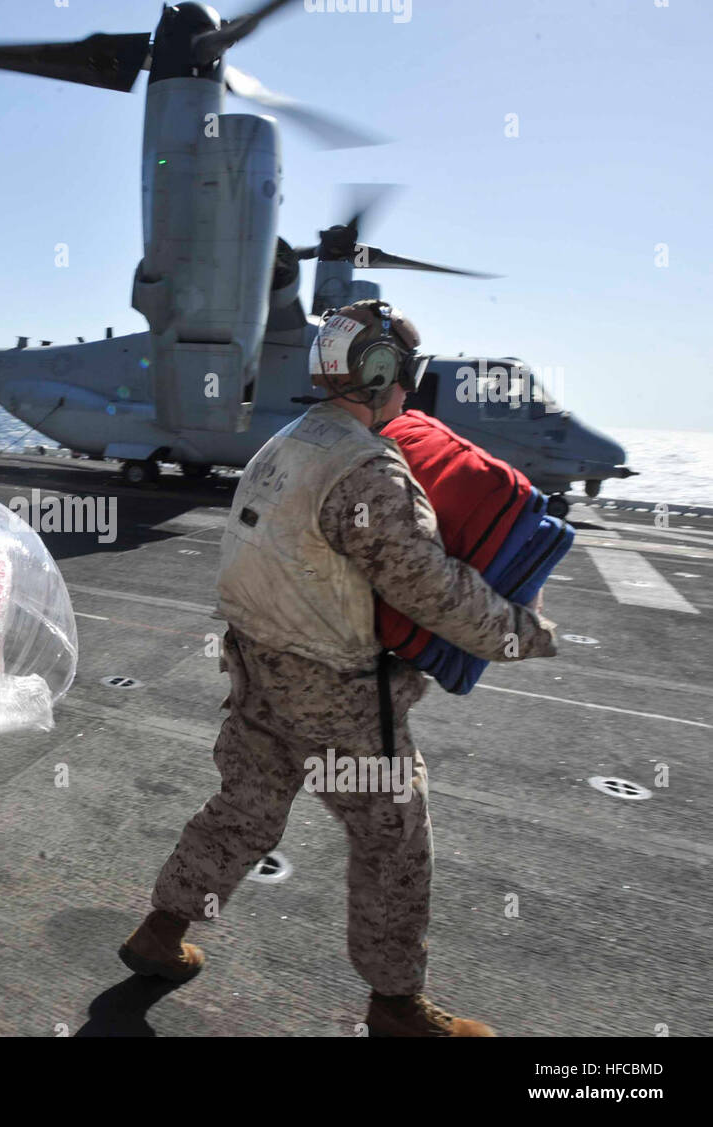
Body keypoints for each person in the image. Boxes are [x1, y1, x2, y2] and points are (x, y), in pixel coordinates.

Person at [119, 299, 558, 1036]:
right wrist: (522, 632)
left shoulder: (287, 440)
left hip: (256, 672)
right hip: (335, 698)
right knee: (393, 845)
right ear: (385, 372)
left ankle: (159, 933)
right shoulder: (367, 468)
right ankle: (396, 1007)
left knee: (244, 812)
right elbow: (430, 589)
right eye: (404, 374)